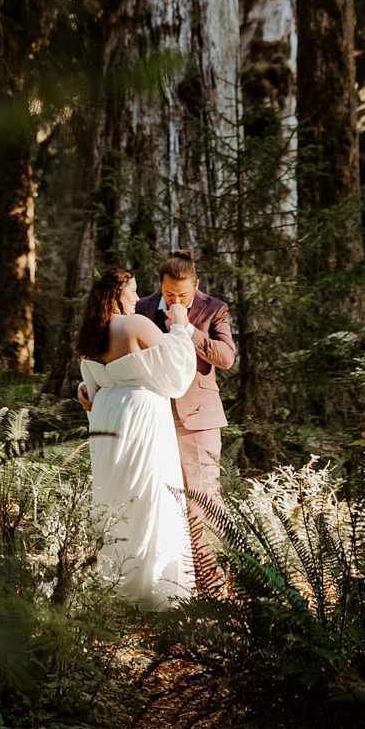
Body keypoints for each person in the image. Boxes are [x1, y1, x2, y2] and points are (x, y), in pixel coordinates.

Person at [77, 267, 197, 607]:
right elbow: (176, 369)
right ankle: (152, 590)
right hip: (140, 413)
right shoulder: (135, 325)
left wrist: (85, 390)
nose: (136, 297)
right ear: (118, 294)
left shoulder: (91, 333)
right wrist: (178, 322)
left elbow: (91, 382)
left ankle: (114, 580)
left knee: (115, 493)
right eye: (133, 291)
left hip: (106, 414)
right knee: (151, 493)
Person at [136, 249, 234, 594]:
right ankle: (185, 582)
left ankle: (220, 581)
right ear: (160, 286)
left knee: (203, 499)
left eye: (182, 294)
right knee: (165, 502)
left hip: (198, 421)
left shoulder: (214, 309)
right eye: (168, 293)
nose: (175, 299)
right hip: (155, 418)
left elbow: (226, 357)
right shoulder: (143, 308)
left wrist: (188, 329)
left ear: (196, 285)